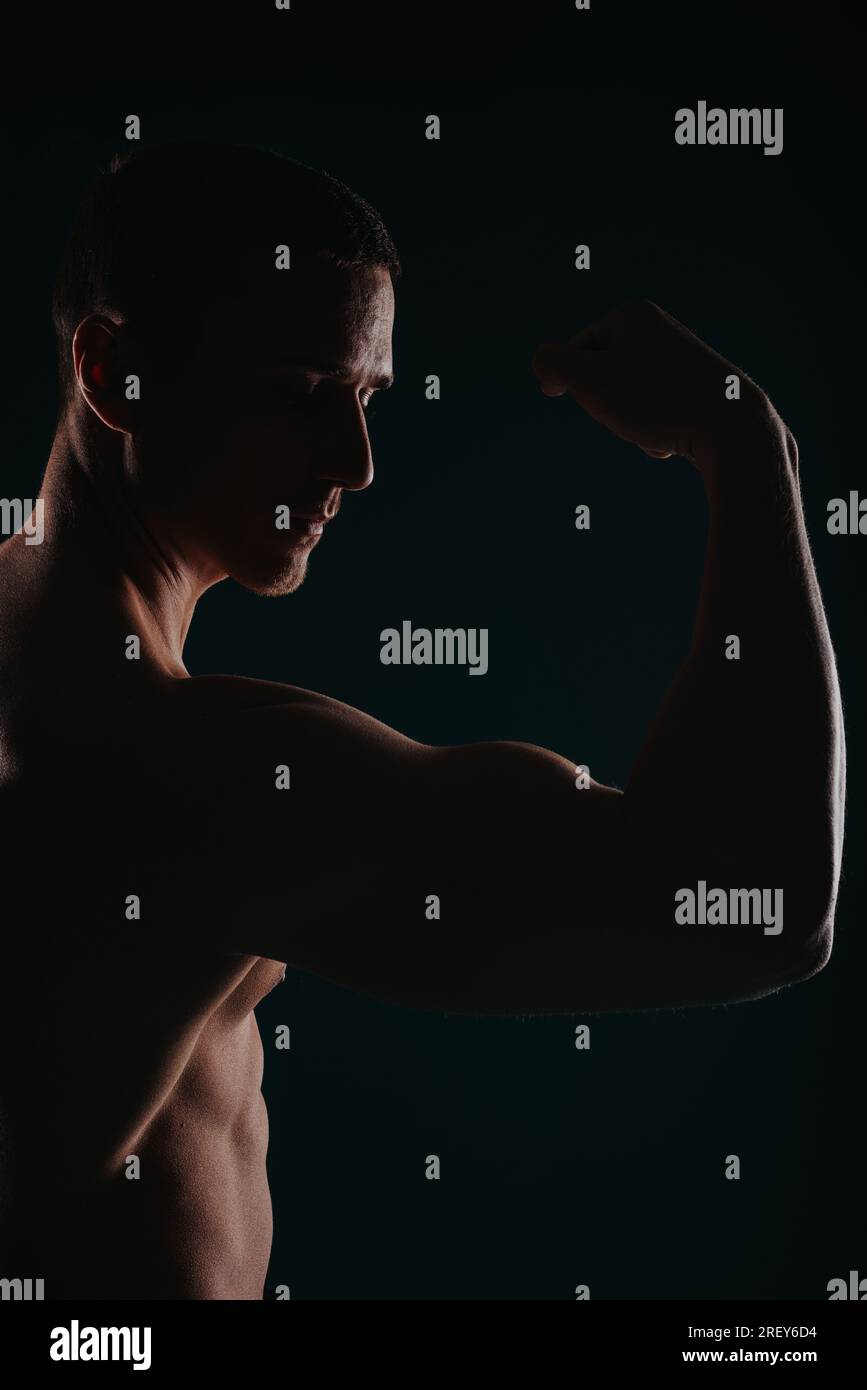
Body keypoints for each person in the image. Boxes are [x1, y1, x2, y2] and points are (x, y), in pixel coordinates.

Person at [0, 141, 845, 1299]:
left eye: (370, 397)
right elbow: (760, 906)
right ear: (113, 372)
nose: (356, 460)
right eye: (300, 391)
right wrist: (750, 447)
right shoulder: (177, 774)